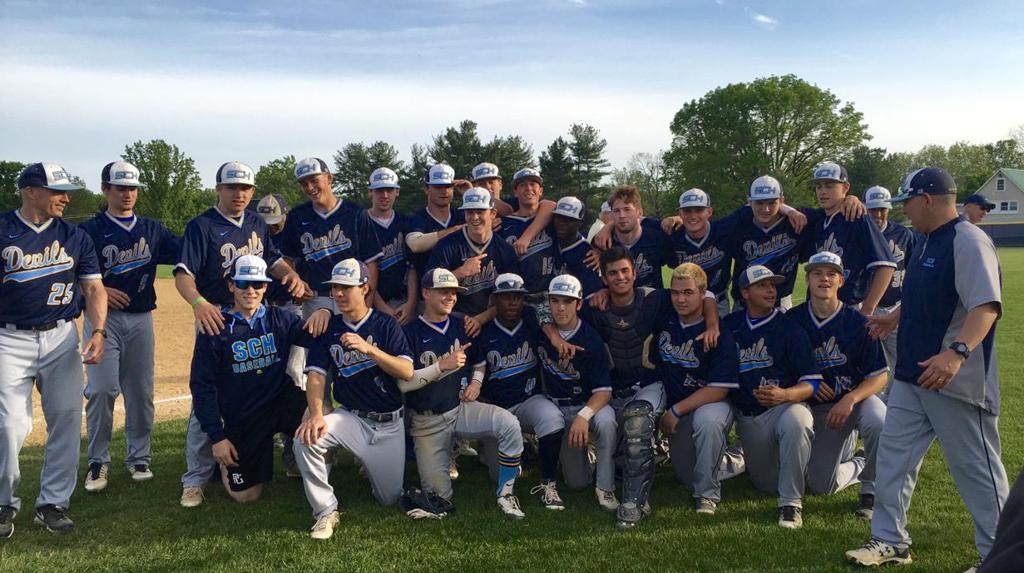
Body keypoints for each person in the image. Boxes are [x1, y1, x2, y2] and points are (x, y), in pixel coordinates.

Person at [847, 168, 1010, 571]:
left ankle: (1002, 556)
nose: (904, 208)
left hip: (953, 379)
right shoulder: (923, 241)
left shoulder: (968, 240)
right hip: (910, 375)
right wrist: (895, 318)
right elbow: (925, 294)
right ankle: (890, 540)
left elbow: (985, 307)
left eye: (908, 200)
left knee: (976, 470)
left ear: (930, 199)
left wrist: (956, 354)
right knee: (892, 460)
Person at [174, 161, 306, 508]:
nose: (240, 194)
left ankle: (292, 457)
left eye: (246, 188)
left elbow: (273, 260)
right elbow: (184, 275)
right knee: (207, 394)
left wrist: (290, 275)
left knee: (280, 383)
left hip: (255, 311)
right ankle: (195, 477)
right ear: (219, 189)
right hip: (216, 316)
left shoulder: (256, 222)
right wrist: (200, 303)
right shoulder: (202, 226)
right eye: (232, 187)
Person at [0, 163, 107, 536]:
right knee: (9, 425)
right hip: (8, 339)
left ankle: (52, 503)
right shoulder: (3, 230)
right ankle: (3, 503)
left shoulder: (75, 237)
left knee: (65, 418)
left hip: (62, 337)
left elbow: (93, 288)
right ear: (31, 191)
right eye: (58, 191)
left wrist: (98, 330)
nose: (66, 198)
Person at [189, 255, 329, 504]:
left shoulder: (279, 318)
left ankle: (314, 472)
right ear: (231, 285)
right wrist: (218, 437)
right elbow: (202, 387)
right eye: (243, 284)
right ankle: (223, 466)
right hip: (245, 415)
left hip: (279, 401)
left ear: (266, 286)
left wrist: (324, 312)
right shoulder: (216, 327)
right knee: (246, 496)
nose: (250, 291)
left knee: (323, 416)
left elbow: (315, 338)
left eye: (258, 284)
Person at [293, 259, 416, 540]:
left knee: (388, 498)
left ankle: (369, 466)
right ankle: (325, 510)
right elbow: (315, 377)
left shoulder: (385, 324)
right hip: (352, 418)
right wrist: (315, 414)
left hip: (389, 424)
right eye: (335, 287)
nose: (338, 293)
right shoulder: (329, 328)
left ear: (364, 288)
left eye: (346, 287)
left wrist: (369, 350)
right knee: (306, 437)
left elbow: (406, 371)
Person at [78, 161, 180, 493]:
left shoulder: (153, 230)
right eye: (120, 187)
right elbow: (68, 272)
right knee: (102, 389)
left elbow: (187, 253)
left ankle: (139, 457)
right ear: (106, 189)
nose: (127, 194)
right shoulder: (89, 231)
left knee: (140, 391)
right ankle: (98, 460)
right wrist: (99, 288)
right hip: (101, 321)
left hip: (140, 318)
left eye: (132, 188)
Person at [403, 268, 526, 519]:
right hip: (428, 421)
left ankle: (506, 492)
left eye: (453, 292)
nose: (450, 297)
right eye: (443, 292)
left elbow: (479, 362)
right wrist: (441, 367)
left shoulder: (463, 323)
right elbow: (404, 384)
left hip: (461, 409)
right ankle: (447, 454)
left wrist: (477, 384)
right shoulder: (410, 331)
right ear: (425, 293)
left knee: (510, 424)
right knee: (440, 497)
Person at [789, 252, 887, 519]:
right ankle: (858, 461)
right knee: (821, 486)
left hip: (855, 400)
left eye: (831, 274)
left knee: (879, 419)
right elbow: (781, 367)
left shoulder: (857, 322)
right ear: (807, 279)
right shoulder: (792, 320)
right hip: (817, 409)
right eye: (817, 273)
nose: (824, 279)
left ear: (841, 281)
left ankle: (871, 489)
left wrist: (852, 398)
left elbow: (880, 376)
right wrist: (806, 382)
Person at [723, 265, 822, 529]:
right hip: (748, 417)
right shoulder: (729, 326)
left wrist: (786, 394)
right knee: (766, 484)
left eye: (772, 285)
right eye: (762, 285)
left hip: (784, 408)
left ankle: (791, 504)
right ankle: (748, 455)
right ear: (744, 292)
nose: (770, 290)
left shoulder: (789, 328)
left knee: (798, 420)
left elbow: (812, 382)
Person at [468, 273, 567, 510]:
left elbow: (547, 313)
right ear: (494, 300)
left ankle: (548, 483)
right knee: (496, 473)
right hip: (497, 408)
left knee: (552, 418)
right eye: (505, 297)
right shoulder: (484, 330)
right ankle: (501, 447)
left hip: (527, 400)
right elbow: (479, 367)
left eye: (517, 297)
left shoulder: (532, 319)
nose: (512, 302)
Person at [653, 263, 740, 516]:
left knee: (708, 422)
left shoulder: (717, 332)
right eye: (676, 292)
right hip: (680, 405)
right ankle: (735, 457)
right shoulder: (666, 320)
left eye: (688, 292)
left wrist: (675, 411)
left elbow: (719, 390)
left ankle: (707, 495)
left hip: (710, 404)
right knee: (685, 475)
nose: (680, 299)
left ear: (703, 294)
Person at [535, 274, 616, 510]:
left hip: (587, 404)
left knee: (607, 422)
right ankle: (573, 456)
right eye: (556, 301)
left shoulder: (590, 338)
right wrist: (552, 335)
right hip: (556, 406)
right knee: (577, 482)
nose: (561, 308)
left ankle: (606, 487)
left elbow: (604, 392)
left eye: (568, 302)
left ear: (579, 304)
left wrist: (584, 416)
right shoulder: (541, 326)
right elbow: (536, 311)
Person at [280, 157, 382, 315]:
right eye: (304, 183)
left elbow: (371, 261)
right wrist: (296, 285)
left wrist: (367, 303)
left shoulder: (355, 213)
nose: (310, 187)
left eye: (314, 180)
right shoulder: (297, 216)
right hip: (315, 299)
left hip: (352, 296)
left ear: (329, 178)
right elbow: (287, 258)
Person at [804, 162, 895, 314]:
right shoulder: (818, 219)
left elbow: (886, 265)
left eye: (830, 185)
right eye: (819, 186)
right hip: (815, 306)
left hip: (847, 307)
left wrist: (868, 309)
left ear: (845, 187)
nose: (823, 191)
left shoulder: (857, 217)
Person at [426, 188, 519, 329]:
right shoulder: (447, 245)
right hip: (454, 318)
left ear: (493, 214)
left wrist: (481, 319)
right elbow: (429, 289)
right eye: (470, 212)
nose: (474, 217)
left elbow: (512, 297)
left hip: (492, 318)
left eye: (480, 212)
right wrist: (460, 272)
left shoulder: (504, 249)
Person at [863, 185, 918, 397]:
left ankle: (893, 402)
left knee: (902, 360)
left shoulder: (903, 234)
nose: (877, 214)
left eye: (882, 209)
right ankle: (873, 403)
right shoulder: (861, 233)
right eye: (873, 209)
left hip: (896, 307)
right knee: (870, 362)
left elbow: (913, 269)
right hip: (869, 309)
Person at [495, 169, 558, 300]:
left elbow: (551, 205)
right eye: (522, 185)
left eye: (533, 184)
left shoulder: (552, 219)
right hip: (515, 295)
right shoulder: (504, 223)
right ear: (515, 192)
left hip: (548, 294)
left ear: (540, 190)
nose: (528, 188)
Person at [366, 167, 417, 325]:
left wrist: (410, 304)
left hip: (404, 303)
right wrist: (384, 309)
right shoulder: (360, 224)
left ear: (397, 192)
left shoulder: (405, 221)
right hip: (374, 305)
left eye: (389, 190)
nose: (385, 195)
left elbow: (412, 267)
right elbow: (365, 275)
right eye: (379, 190)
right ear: (370, 192)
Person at [405, 164, 465, 280]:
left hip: (462, 290)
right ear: (426, 189)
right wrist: (455, 230)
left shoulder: (461, 215)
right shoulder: (417, 218)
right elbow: (415, 245)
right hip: (428, 291)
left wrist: (470, 193)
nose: (444, 191)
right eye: (438, 187)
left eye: (448, 186)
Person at [550, 197, 603, 300]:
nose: (561, 223)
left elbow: (590, 296)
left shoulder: (587, 254)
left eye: (569, 219)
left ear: (580, 223)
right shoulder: (549, 236)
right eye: (559, 217)